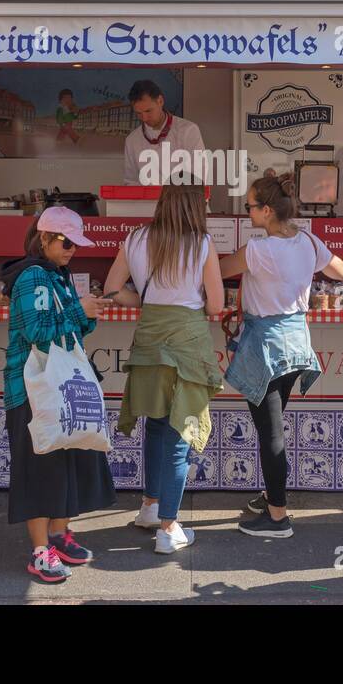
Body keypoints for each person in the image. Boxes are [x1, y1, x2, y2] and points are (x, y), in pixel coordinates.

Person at [219, 172, 343, 538]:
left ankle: (278, 517)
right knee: (273, 428)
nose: (247, 213)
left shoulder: (259, 250)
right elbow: (340, 270)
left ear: (266, 210)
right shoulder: (306, 240)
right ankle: (269, 496)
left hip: (266, 347)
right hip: (297, 345)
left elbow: (216, 271)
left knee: (271, 434)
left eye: (250, 207)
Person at [0, 206, 116, 584]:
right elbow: (37, 331)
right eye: (65, 242)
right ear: (44, 238)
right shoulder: (32, 277)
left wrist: (87, 312)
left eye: (76, 244)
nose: (71, 250)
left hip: (58, 386)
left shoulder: (58, 275)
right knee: (41, 468)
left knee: (68, 461)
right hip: (33, 390)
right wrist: (77, 309)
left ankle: (59, 536)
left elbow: (69, 329)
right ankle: (40, 550)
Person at [107, 184, 224, 554]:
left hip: (149, 341)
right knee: (180, 436)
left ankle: (149, 506)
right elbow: (216, 306)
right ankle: (168, 528)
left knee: (156, 425)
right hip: (187, 346)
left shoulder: (136, 238)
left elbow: (112, 289)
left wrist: (144, 300)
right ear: (194, 208)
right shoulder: (201, 243)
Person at [122, 79, 206, 186]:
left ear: (160, 101)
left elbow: (199, 177)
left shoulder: (188, 131)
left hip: (182, 201)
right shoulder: (132, 140)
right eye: (138, 113)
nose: (144, 118)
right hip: (146, 202)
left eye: (148, 111)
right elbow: (131, 182)